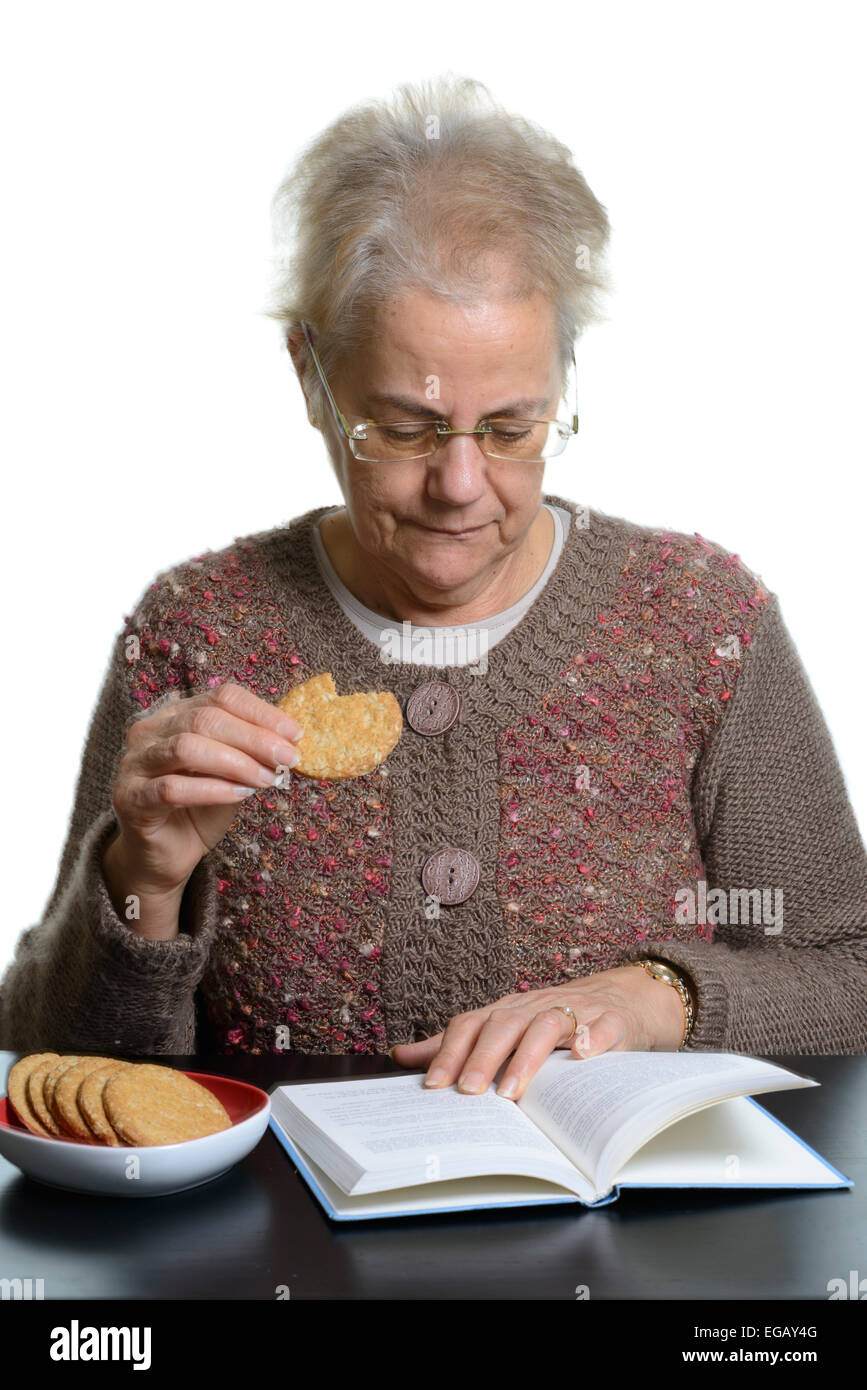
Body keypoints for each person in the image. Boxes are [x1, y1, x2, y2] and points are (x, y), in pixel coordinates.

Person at [2, 76, 865, 1104]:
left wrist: (654, 995)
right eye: (405, 428)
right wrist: (140, 886)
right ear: (310, 377)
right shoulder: (194, 634)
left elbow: (843, 967)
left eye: (510, 428)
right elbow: (51, 1070)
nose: (461, 486)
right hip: (285, 1254)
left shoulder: (701, 625)